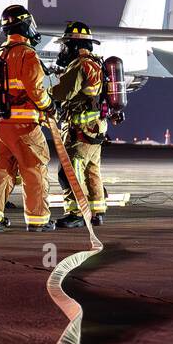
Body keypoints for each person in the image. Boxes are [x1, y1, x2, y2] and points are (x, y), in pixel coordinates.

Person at [0, 4, 54, 232]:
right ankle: (38, 220)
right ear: (25, 24)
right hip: (23, 126)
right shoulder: (26, 53)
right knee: (34, 169)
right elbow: (35, 89)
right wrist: (48, 105)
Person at [51, 20, 108, 228]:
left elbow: (63, 93)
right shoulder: (97, 64)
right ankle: (96, 211)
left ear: (74, 46)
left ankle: (76, 213)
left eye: (65, 45)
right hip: (96, 129)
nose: (63, 49)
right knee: (92, 170)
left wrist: (44, 90)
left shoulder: (79, 66)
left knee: (69, 172)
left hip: (79, 131)